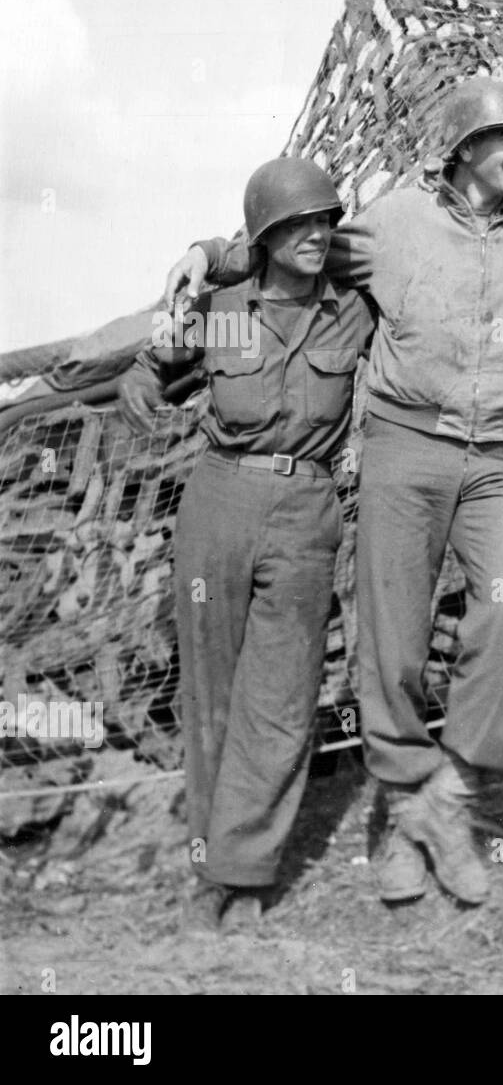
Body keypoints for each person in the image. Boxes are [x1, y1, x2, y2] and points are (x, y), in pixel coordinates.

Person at [162, 78, 503, 908]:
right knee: (390, 641)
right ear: (461, 149)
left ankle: (449, 801)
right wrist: (206, 252)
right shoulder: (393, 223)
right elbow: (287, 247)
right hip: (406, 445)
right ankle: (399, 806)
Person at [120, 157, 374, 931]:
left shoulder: (353, 308)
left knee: (284, 692)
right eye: (296, 224)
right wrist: (145, 393)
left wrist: (211, 246)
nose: (316, 234)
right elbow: (151, 370)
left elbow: (381, 249)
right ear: (264, 235)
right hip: (219, 499)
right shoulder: (224, 309)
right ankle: (209, 867)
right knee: (211, 687)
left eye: (324, 220)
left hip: (305, 505)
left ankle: (246, 870)